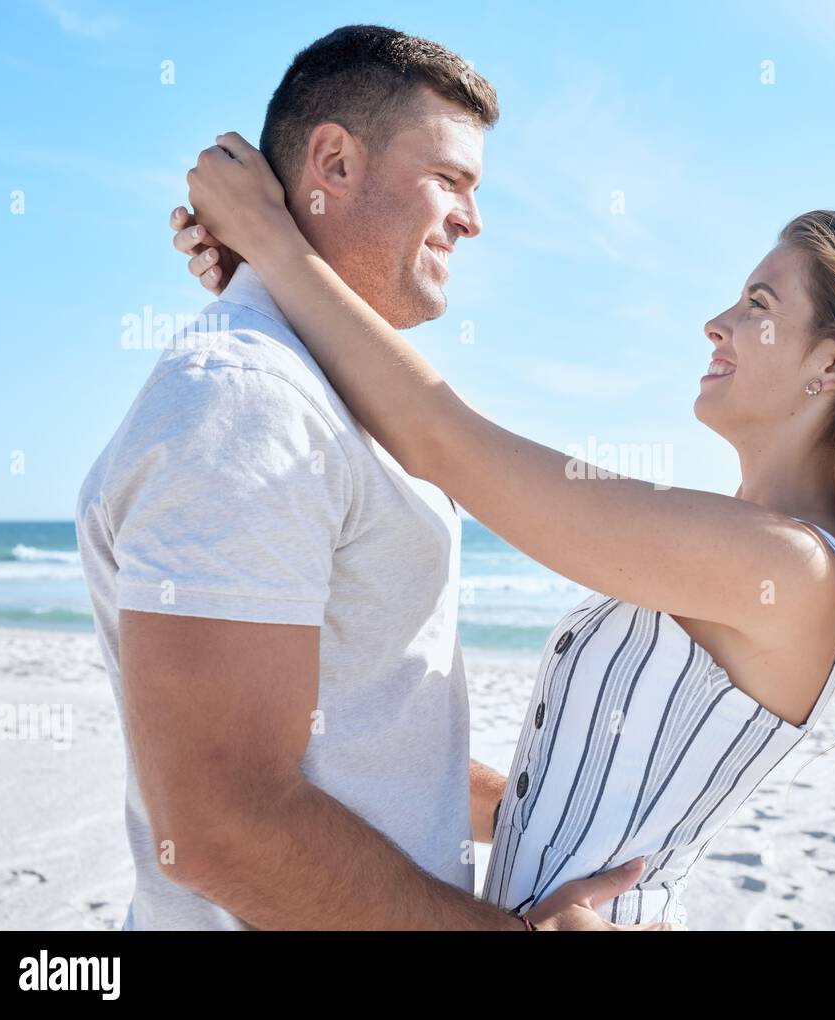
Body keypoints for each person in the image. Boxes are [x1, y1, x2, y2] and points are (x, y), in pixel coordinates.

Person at [175, 124, 835, 927]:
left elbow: (444, 439)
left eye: (758, 304)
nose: (716, 320)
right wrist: (267, 294)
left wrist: (279, 242)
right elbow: (568, 799)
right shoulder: (744, 554)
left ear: (830, 369)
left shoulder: (783, 570)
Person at [77, 24, 671, 931]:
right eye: (452, 181)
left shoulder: (338, 399)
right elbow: (220, 825)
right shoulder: (244, 402)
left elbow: (368, 724)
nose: (473, 220)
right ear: (335, 162)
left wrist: (533, 817)